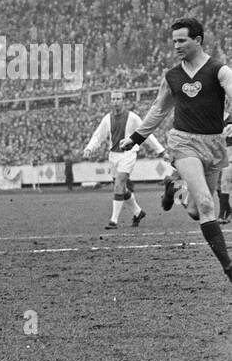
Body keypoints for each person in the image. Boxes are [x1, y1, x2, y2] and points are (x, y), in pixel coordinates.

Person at [122, 17, 232, 282]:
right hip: (184, 142)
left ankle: (176, 189)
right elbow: (159, 109)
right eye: (174, 41)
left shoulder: (220, 71)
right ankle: (229, 269)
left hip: (214, 144)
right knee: (207, 205)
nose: (176, 46)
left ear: (198, 40)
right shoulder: (172, 76)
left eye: (182, 40)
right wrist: (136, 137)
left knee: (196, 210)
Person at [83, 91, 163, 229]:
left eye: (118, 98)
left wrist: (159, 150)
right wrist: (90, 148)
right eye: (113, 99)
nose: (115, 101)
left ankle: (113, 221)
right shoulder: (107, 118)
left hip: (128, 154)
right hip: (113, 156)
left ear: (123, 100)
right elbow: (98, 136)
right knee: (121, 188)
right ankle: (138, 212)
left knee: (119, 182)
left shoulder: (132, 117)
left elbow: (146, 133)